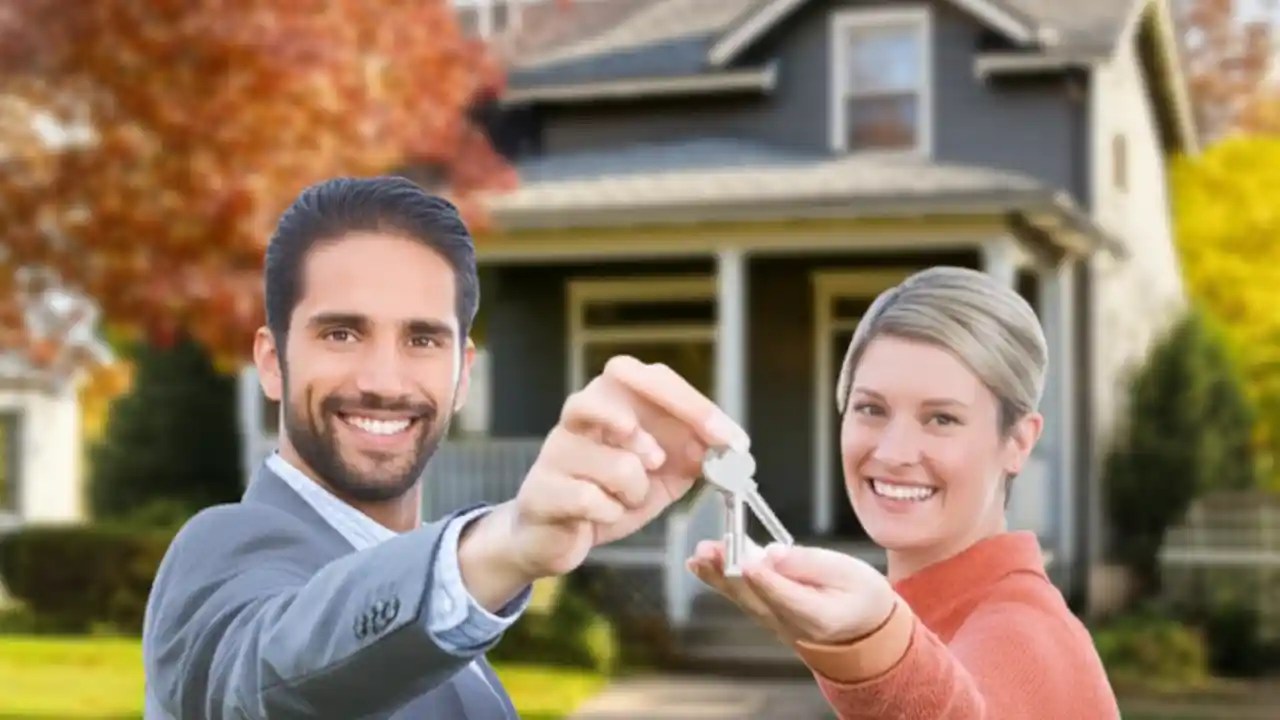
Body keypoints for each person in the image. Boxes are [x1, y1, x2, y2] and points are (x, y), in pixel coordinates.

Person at [141, 176, 749, 720]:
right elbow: (261, 683)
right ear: (273, 364)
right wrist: (507, 541)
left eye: (422, 339)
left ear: (462, 377)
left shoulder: (453, 613)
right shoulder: (221, 553)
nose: (382, 380)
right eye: (342, 333)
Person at [687, 266, 1120, 719]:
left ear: (1018, 443)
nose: (894, 453)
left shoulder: (1022, 631)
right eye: (871, 409)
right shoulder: (936, 612)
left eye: (941, 419)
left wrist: (875, 645)